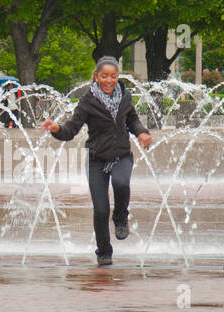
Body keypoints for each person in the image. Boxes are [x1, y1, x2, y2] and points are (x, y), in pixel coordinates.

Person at [41, 56, 152, 266]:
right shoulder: (87, 101)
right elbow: (71, 129)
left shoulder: (125, 97)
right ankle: (104, 251)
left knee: (121, 183)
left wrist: (141, 133)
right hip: (96, 161)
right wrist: (56, 129)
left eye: (113, 76)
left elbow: (133, 120)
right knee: (100, 209)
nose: (109, 80)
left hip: (121, 156)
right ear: (96, 77)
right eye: (104, 76)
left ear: (117, 77)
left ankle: (120, 217)